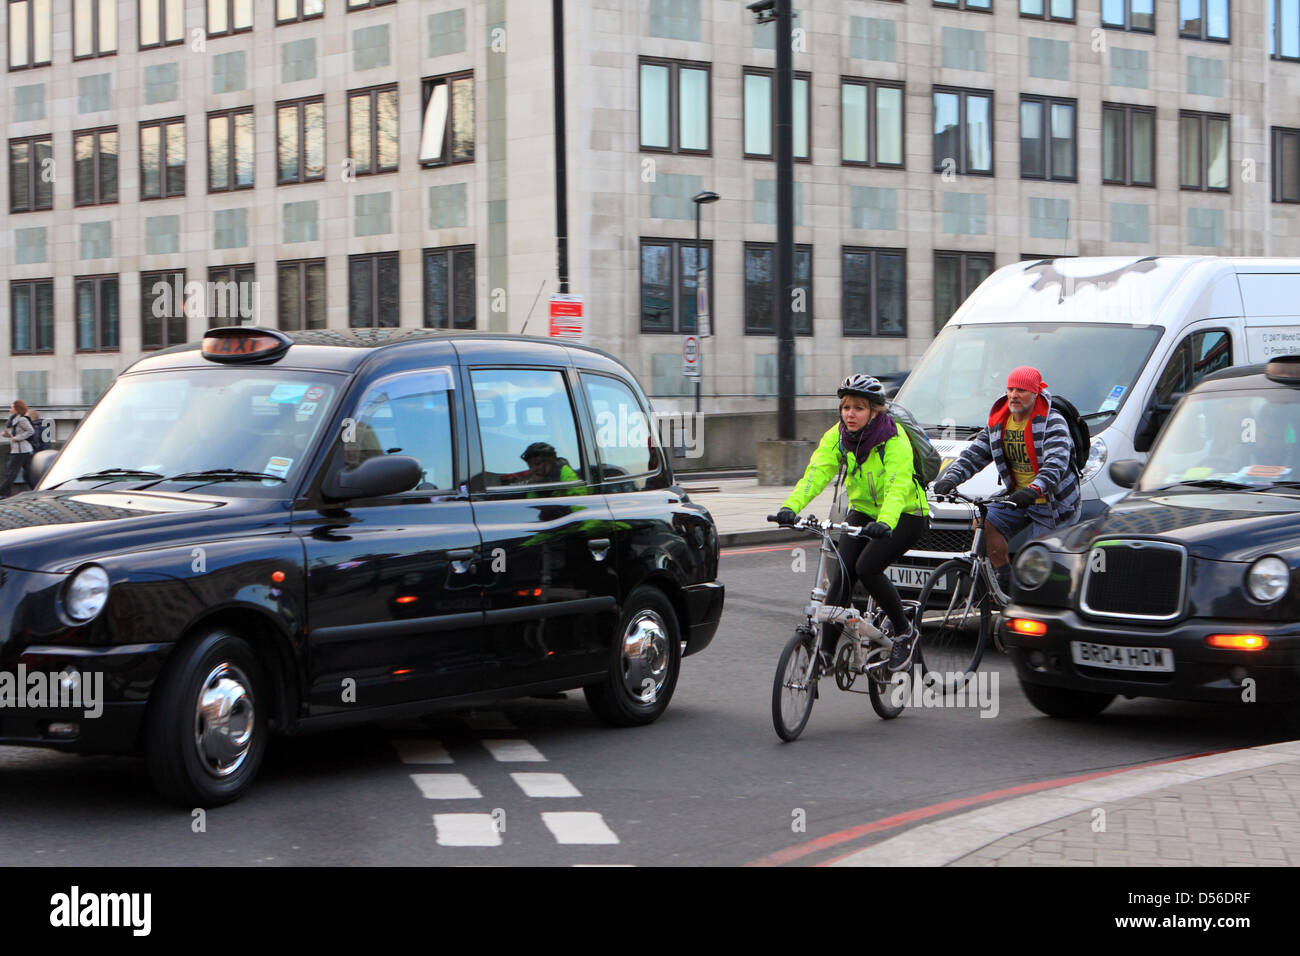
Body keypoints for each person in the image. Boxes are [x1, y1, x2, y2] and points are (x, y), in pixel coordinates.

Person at [775, 374, 930, 672]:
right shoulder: (838, 435)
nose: (850, 414)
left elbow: (898, 487)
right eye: (846, 407)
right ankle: (826, 655)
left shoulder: (894, 439)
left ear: (875, 411)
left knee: (866, 568)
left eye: (858, 408)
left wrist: (885, 522)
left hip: (906, 514)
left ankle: (905, 633)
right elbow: (816, 474)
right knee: (842, 576)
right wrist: (789, 507)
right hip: (863, 510)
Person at [930, 365, 1081, 594]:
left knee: (1036, 563)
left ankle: (1041, 603)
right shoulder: (1000, 420)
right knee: (984, 520)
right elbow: (975, 454)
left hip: (1053, 504)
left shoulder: (1052, 422)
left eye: (1021, 390)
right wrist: (950, 479)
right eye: (1010, 389)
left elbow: (1056, 464)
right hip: (1018, 498)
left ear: (1035, 393)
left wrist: (1034, 489)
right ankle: (1004, 578)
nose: (1013, 395)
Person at [0, 399, 36, 497]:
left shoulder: (22, 419)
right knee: (28, 474)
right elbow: (13, 434)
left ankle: (3, 493)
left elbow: (31, 431)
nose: (10, 409)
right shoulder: (12, 420)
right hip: (19, 450)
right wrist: (6, 434)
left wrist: (18, 438)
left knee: (11, 472)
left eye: (11, 407)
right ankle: (38, 489)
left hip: (21, 450)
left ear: (17, 409)